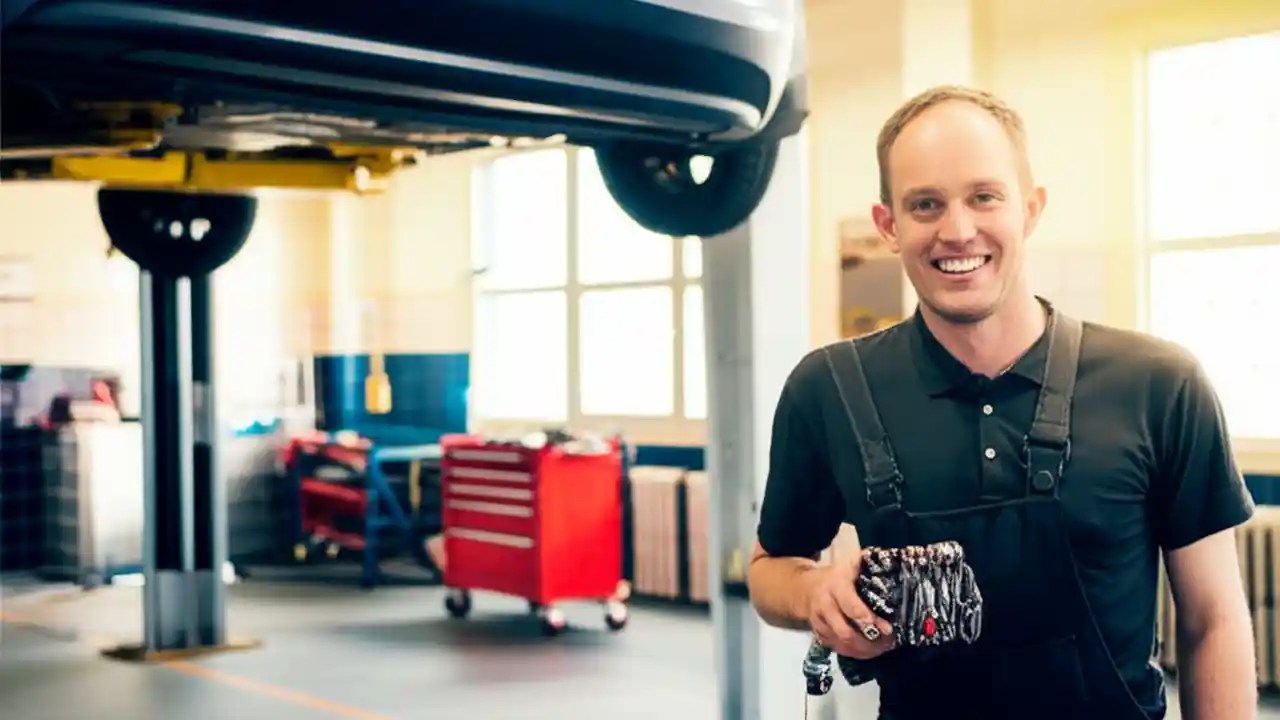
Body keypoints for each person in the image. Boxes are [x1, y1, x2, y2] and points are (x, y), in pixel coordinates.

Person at [746, 85, 1258, 719]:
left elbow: (1213, 621)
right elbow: (770, 568)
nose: (957, 231)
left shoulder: (1159, 385)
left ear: (1031, 209)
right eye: (925, 204)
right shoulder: (829, 390)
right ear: (889, 227)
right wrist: (813, 591)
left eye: (984, 197)